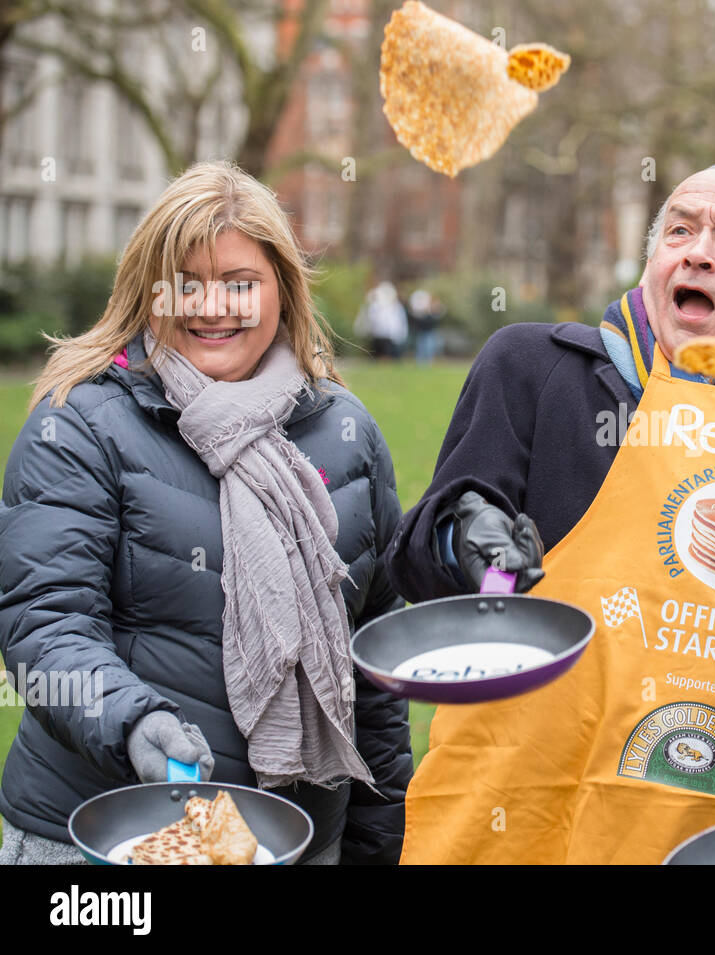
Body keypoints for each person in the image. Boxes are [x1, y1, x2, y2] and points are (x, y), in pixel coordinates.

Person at [385, 162, 715, 864]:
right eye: (679, 230)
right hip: (512, 817)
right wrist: (462, 534)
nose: (696, 249)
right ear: (654, 261)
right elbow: (417, 565)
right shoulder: (535, 369)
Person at [0, 161, 412, 864]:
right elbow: (45, 619)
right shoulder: (81, 423)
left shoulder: (347, 431)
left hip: (300, 838)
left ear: (280, 289)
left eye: (239, 284)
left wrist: (379, 838)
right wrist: (134, 721)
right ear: (148, 291)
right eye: (186, 283)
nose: (212, 306)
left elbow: (374, 663)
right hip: (109, 835)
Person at [355, 281, 408, 360]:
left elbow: (399, 322)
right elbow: (372, 319)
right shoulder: (375, 306)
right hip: (379, 334)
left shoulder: (396, 306)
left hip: (390, 335)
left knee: (389, 354)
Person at [407, 289, 445, 365]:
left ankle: (428, 361)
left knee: (429, 347)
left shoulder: (432, 310)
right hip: (422, 331)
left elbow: (439, 314)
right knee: (421, 347)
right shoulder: (421, 311)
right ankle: (420, 362)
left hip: (430, 331)